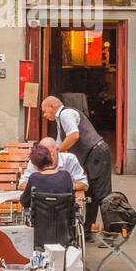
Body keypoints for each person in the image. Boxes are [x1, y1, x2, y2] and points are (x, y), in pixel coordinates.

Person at [42, 96, 112, 244]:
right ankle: (87, 231)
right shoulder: (61, 121)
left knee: (102, 194)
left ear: (53, 106)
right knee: (91, 193)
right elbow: (59, 146)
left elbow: (73, 136)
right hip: (91, 155)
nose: (44, 115)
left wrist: (57, 152)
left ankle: (110, 233)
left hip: (96, 152)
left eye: (44, 110)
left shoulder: (65, 114)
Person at [18, 137, 87, 189]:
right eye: (44, 154)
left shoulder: (70, 159)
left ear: (57, 150)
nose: (48, 158)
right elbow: (21, 184)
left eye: (50, 153)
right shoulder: (36, 160)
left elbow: (84, 184)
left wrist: (60, 188)